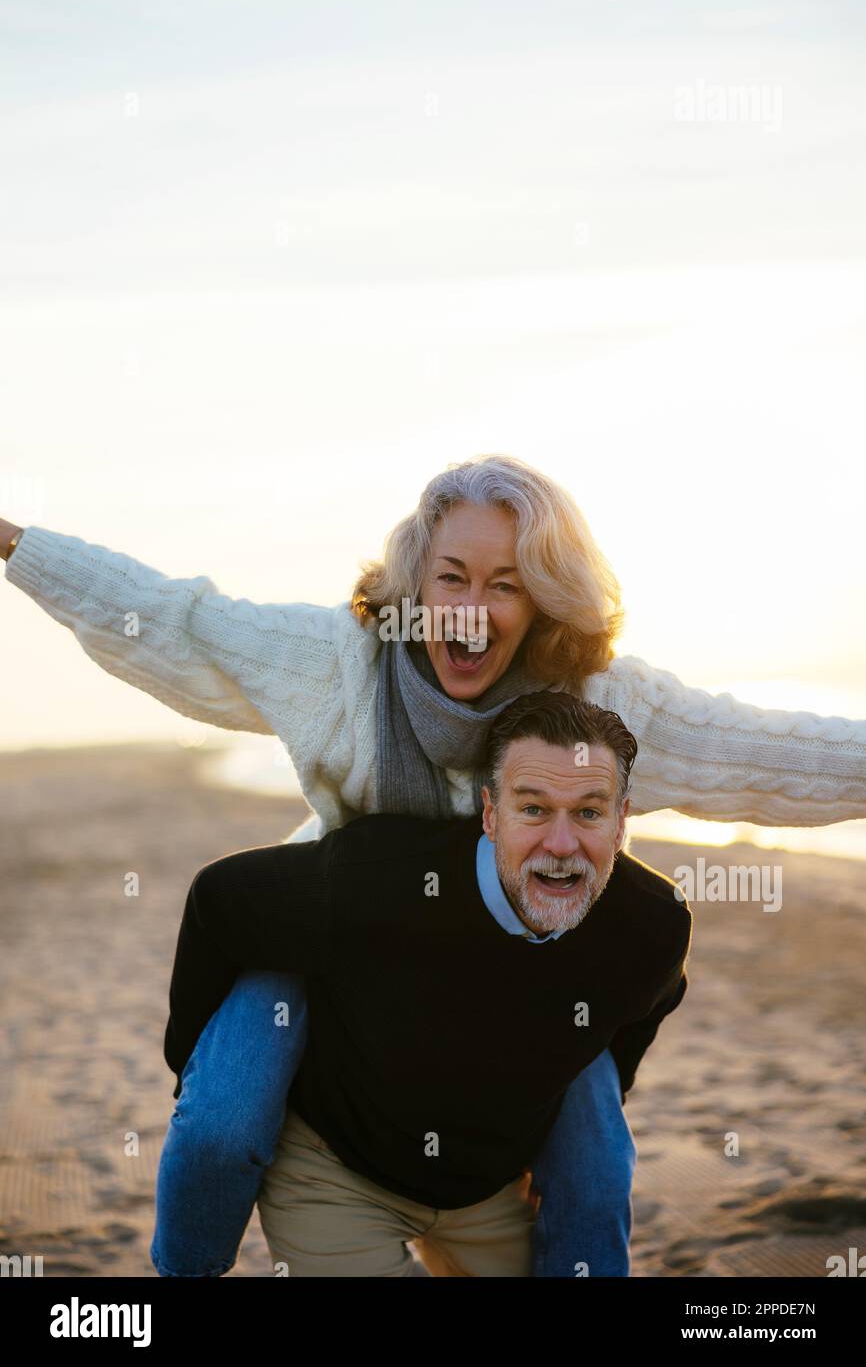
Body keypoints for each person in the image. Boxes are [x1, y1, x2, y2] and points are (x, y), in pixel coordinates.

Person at [1, 454, 863, 1277]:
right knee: (221, 1122)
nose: (470, 609)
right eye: (452, 577)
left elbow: (761, 754)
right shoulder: (341, 667)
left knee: (598, 1164)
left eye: (507, 584)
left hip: (529, 966)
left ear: (546, 600)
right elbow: (175, 619)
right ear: (416, 584)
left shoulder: (601, 701)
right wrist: (16, 544)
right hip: (330, 941)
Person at [162, 692, 692, 1276]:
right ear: (490, 815)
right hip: (337, 1174)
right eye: (534, 810)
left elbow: (646, 1008)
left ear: (621, 822)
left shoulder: (654, 924)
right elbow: (217, 899)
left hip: (493, 1192)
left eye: (589, 812)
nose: (561, 846)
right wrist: (195, 1073)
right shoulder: (374, 881)